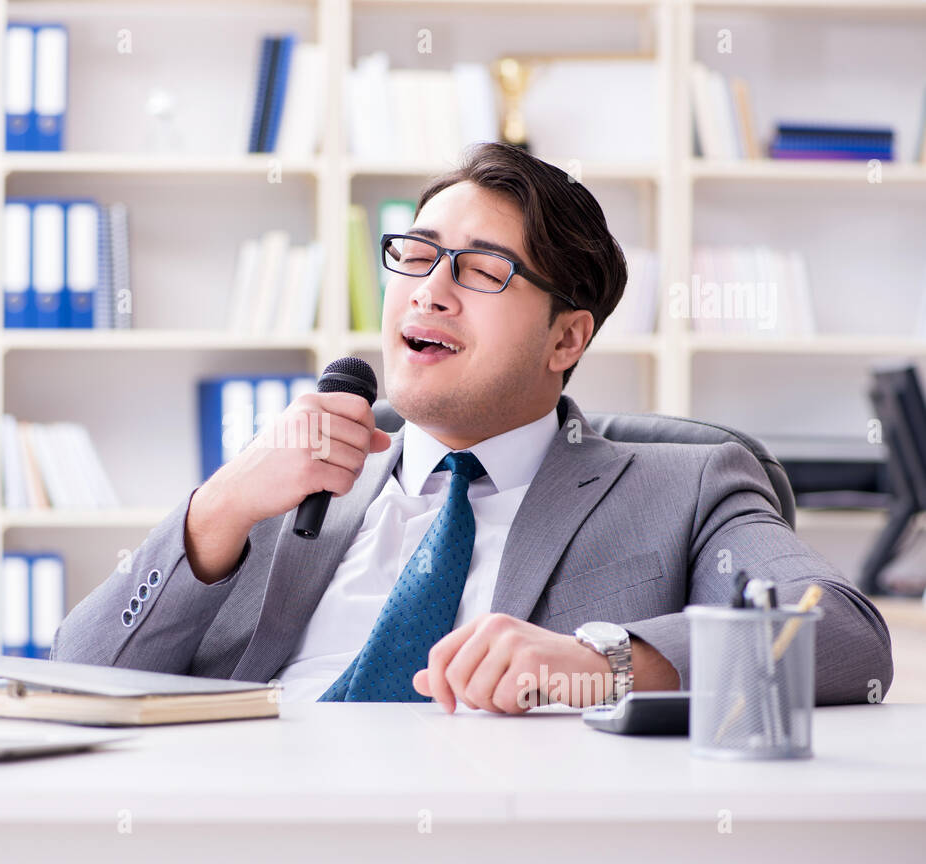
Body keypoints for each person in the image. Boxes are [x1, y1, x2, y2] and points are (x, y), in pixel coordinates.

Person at [51, 142, 893, 713]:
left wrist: (601, 664)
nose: (429, 290)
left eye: (483, 269)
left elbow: (845, 635)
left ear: (566, 338)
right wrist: (217, 509)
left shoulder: (689, 484)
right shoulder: (289, 481)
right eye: (416, 257)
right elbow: (76, 681)